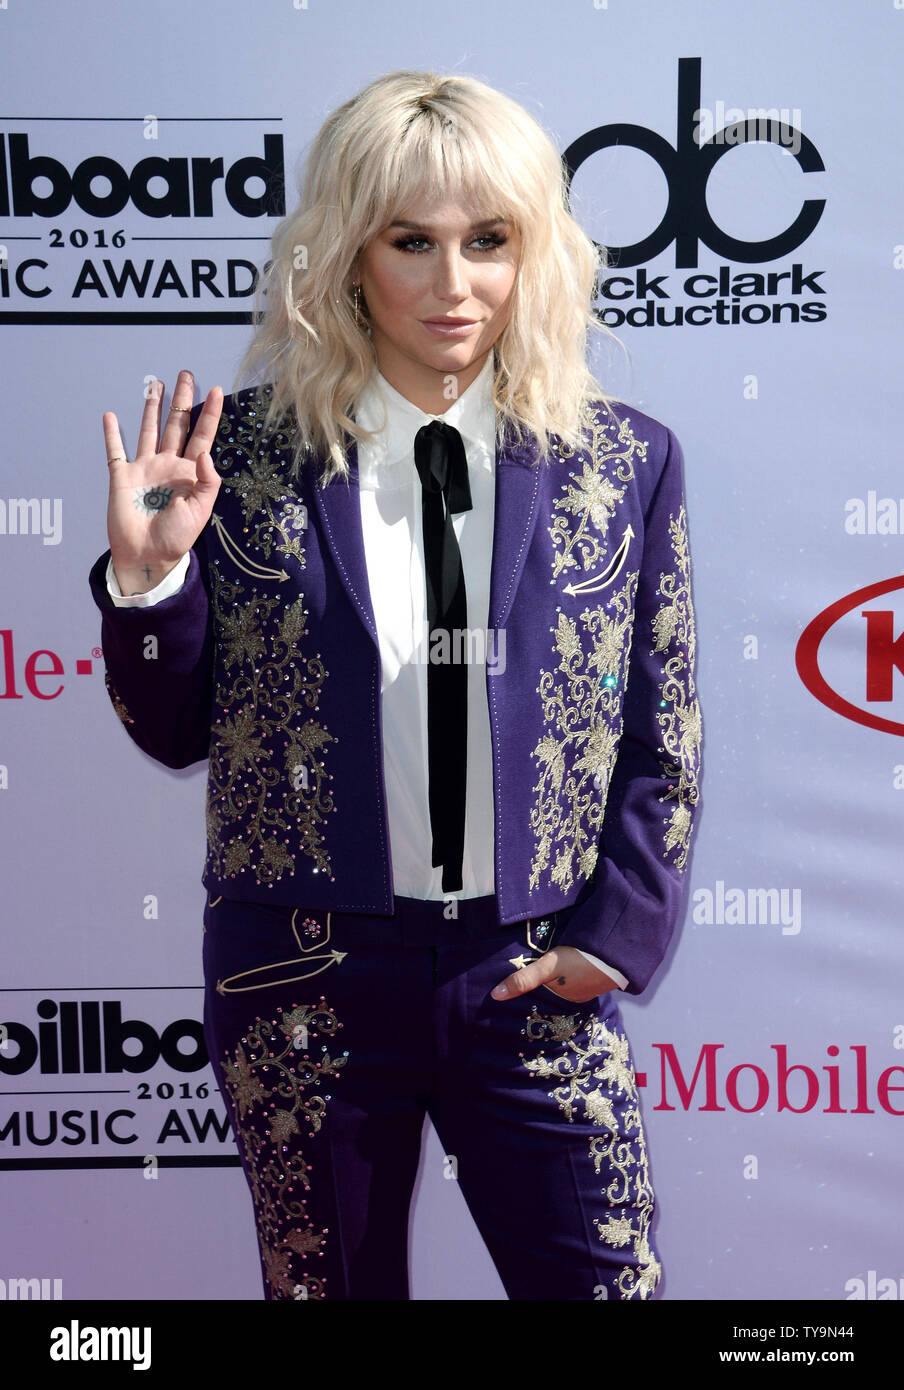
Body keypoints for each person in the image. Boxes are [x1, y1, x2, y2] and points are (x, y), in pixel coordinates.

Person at [89, 69, 702, 1302]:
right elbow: (173, 733)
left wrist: (616, 940)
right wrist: (150, 584)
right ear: (347, 252)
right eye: (410, 241)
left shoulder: (621, 458)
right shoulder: (235, 454)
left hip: (531, 978)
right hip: (301, 980)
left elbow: (663, 727)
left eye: (489, 241)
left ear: (535, 251)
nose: (453, 283)